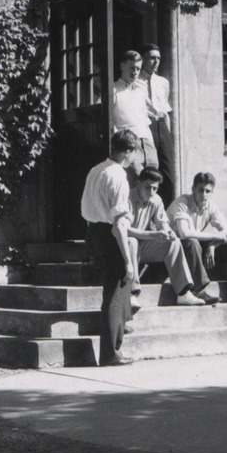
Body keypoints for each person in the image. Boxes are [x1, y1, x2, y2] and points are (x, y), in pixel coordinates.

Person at [80, 129, 139, 366]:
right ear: (127, 152)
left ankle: (121, 329)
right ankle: (111, 352)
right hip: (109, 234)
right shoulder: (118, 177)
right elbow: (119, 225)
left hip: (93, 231)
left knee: (115, 291)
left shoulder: (95, 170)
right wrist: (127, 259)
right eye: (134, 153)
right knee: (115, 293)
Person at [168, 172, 227, 301]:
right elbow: (184, 233)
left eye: (208, 191)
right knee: (192, 241)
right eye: (200, 190)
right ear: (193, 189)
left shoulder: (211, 206)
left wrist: (213, 245)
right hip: (173, 249)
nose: (204, 195)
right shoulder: (182, 203)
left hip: (193, 250)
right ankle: (199, 290)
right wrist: (214, 236)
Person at [126, 166, 205, 307]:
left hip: (143, 245)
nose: (151, 192)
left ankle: (183, 293)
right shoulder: (127, 197)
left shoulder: (156, 200)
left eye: (155, 188)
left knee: (173, 243)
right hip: (123, 246)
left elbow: (162, 223)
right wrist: (153, 234)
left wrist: (169, 232)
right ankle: (131, 293)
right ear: (138, 183)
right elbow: (124, 230)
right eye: (147, 187)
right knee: (132, 241)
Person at [112, 50, 158, 178]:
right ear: (122, 66)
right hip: (129, 143)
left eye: (138, 69)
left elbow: (144, 119)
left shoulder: (139, 92)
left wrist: (150, 143)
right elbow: (109, 120)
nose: (135, 72)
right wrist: (122, 141)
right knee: (137, 179)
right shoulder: (113, 90)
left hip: (147, 142)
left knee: (152, 178)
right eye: (132, 68)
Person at [139, 45, 175, 206]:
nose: (156, 62)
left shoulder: (163, 82)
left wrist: (169, 134)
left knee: (169, 174)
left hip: (162, 126)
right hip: (145, 125)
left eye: (158, 58)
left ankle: (164, 211)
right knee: (150, 170)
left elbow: (165, 109)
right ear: (144, 59)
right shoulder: (135, 81)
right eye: (152, 57)